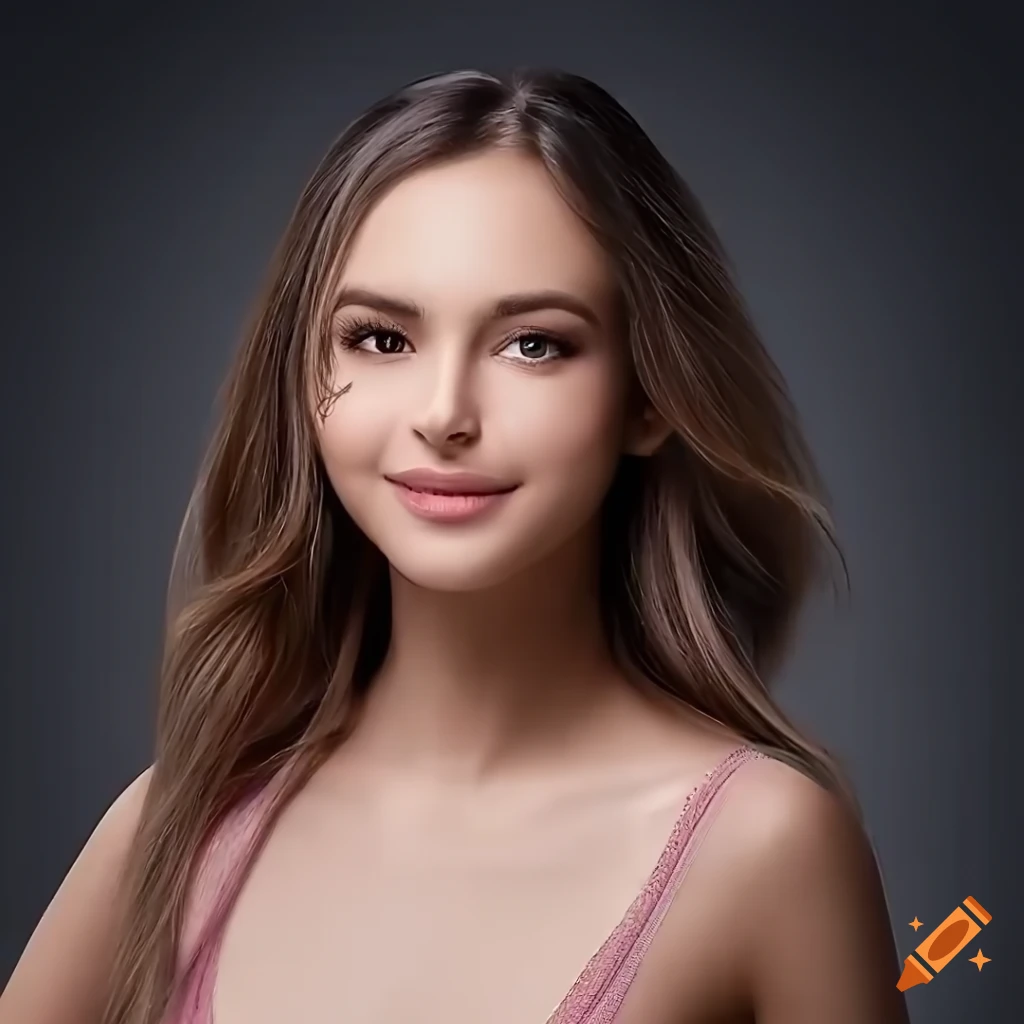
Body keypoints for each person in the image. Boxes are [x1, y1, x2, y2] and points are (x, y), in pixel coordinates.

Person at [0, 68, 910, 1024]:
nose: (444, 415)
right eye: (382, 339)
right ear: (306, 378)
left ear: (649, 395)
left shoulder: (767, 847)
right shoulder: (173, 834)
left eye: (533, 344)